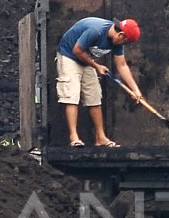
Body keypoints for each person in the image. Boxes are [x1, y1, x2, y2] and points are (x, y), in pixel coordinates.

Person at [56, 17, 143, 147]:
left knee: (94, 96)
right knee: (72, 95)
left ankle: (100, 138)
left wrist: (135, 90)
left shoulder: (117, 42)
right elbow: (77, 50)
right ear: (121, 35)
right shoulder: (95, 31)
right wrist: (96, 66)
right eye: (126, 42)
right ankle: (74, 137)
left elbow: (122, 65)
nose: (124, 45)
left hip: (86, 59)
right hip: (69, 55)